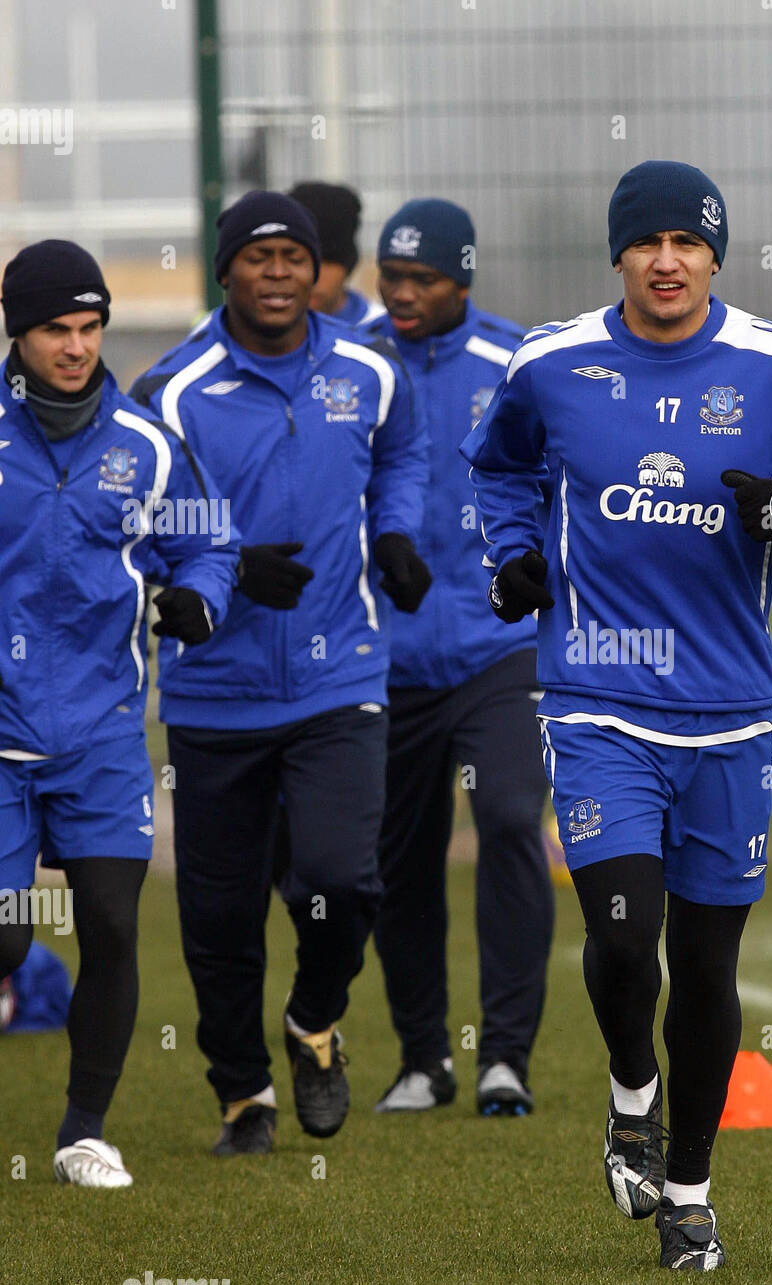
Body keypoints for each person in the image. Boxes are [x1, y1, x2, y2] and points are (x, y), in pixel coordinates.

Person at [463, 160, 772, 1268]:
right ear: (618, 254)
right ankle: (629, 1090)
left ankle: (690, 1192)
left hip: (731, 714)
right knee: (619, 934)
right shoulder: (552, 364)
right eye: (646, 242)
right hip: (596, 698)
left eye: (688, 243)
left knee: (705, 968)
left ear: (714, 255)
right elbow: (496, 472)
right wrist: (511, 560)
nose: (666, 260)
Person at [130, 191, 431, 1157]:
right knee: (219, 917)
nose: (275, 273)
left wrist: (394, 535)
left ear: (315, 271)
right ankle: (242, 1095)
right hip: (216, 691)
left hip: (341, 676)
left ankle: (313, 1021)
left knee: (342, 879)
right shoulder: (173, 391)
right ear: (225, 273)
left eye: (291, 257)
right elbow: (139, 514)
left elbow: (404, 457)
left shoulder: (370, 371)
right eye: (255, 257)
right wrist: (219, 563)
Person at [0, 240, 238, 1185]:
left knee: (108, 918)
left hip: (101, 731)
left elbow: (209, 545)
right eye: (56, 328)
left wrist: (200, 602)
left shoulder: (144, 446)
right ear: (18, 333)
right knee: (10, 934)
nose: (76, 346)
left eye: (90, 327)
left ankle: (84, 1132)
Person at [366, 198, 553, 1118]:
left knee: (514, 822)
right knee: (400, 858)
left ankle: (505, 1057)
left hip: (498, 649)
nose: (402, 295)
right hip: (384, 660)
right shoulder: (350, 363)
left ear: (463, 280)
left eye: (423, 280)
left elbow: (562, 480)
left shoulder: (517, 362)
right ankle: (423, 1058)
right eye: (390, 277)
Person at [288, 181, 383, 328]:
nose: (312, 275)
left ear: (348, 264)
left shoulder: (383, 332)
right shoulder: (249, 335)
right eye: (297, 260)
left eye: (327, 261)